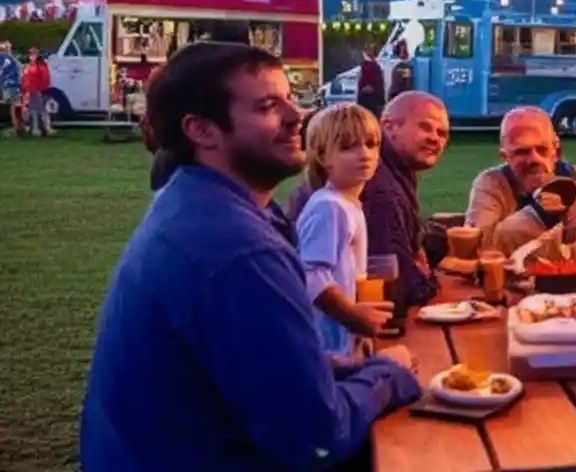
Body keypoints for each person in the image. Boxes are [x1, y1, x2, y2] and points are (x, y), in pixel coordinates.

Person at [80, 42, 422, 472]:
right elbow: (314, 438)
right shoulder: (238, 250)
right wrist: (387, 375)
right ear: (202, 130)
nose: (298, 116)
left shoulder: (191, 203)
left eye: (290, 98)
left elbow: (229, 370)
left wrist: (324, 367)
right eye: (267, 106)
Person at [292, 91, 451, 320]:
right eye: (425, 127)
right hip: (330, 339)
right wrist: (352, 316)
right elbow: (399, 285)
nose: (435, 138)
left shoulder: (353, 195)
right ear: (389, 127)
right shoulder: (357, 199)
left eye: (371, 144)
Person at [296, 103, 394, 359]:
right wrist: (351, 316)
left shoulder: (346, 204)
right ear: (322, 156)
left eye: (371, 144)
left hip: (345, 341)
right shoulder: (330, 207)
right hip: (328, 348)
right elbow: (310, 274)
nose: (364, 154)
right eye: (348, 146)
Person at [466, 106, 576, 255]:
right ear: (505, 157)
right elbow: (476, 248)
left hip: (562, 277)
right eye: (522, 152)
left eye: (542, 149)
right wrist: (537, 214)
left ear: (556, 152)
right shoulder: (490, 183)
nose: (534, 159)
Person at [21, 46, 53, 137]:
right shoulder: (28, 66)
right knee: (33, 111)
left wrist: (42, 89)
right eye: (31, 54)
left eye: (34, 54)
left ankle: (45, 128)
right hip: (31, 91)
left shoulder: (40, 66)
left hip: (39, 90)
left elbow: (45, 78)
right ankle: (36, 129)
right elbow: (25, 78)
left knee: (42, 110)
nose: (32, 56)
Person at [356, 42, 386, 117]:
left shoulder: (372, 67)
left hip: (372, 102)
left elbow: (375, 86)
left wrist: (369, 89)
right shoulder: (367, 66)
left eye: (370, 50)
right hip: (367, 101)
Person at [0, 41, 22, 137]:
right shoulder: (12, 59)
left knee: (12, 108)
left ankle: (16, 129)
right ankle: (19, 127)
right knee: (15, 106)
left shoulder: (3, 57)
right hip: (14, 85)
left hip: (8, 85)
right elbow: (19, 68)